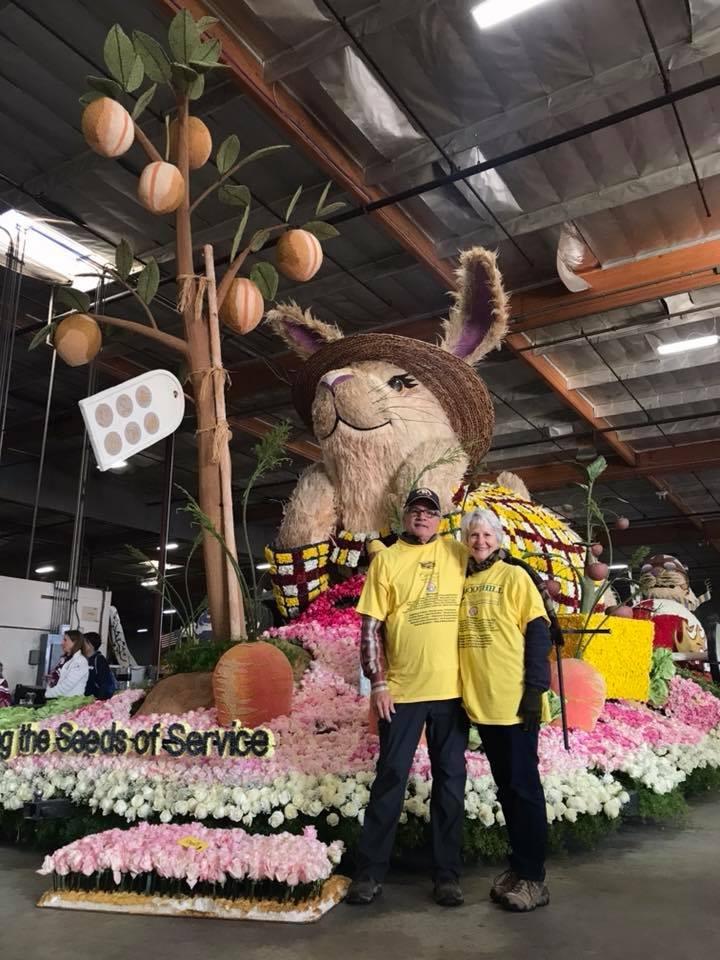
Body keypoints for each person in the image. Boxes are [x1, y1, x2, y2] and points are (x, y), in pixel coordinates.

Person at [346, 488, 469, 907]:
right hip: (402, 694)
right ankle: (369, 873)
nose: (422, 517)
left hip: (453, 694)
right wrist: (377, 682)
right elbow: (368, 629)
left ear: (439, 519)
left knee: (451, 784)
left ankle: (447, 875)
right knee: (391, 779)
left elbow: (493, 569)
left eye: (429, 512)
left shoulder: (458, 552)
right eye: (416, 511)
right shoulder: (387, 560)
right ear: (405, 517)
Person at [459, 508, 553, 913]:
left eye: (487, 534)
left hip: (515, 705)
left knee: (525, 790)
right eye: (473, 534)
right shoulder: (463, 581)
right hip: (483, 705)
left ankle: (534, 879)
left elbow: (538, 630)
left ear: (499, 537)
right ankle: (518, 867)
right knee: (507, 790)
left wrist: (535, 689)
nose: (480, 540)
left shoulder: (515, 576)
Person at [45, 630, 89, 699]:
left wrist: (47, 695)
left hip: (70, 702)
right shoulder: (65, 659)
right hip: (57, 698)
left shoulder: (80, 661)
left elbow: (66, 685)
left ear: (74, 642)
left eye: (65, 640)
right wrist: (52, 677)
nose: (62, 643)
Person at [82, 632, 116, 700]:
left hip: (95, 700)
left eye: (83, 643)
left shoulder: (99, 659)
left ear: (90, 645)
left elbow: (105, 683)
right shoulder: (83, 659)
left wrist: (99, 701)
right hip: (84, 699)